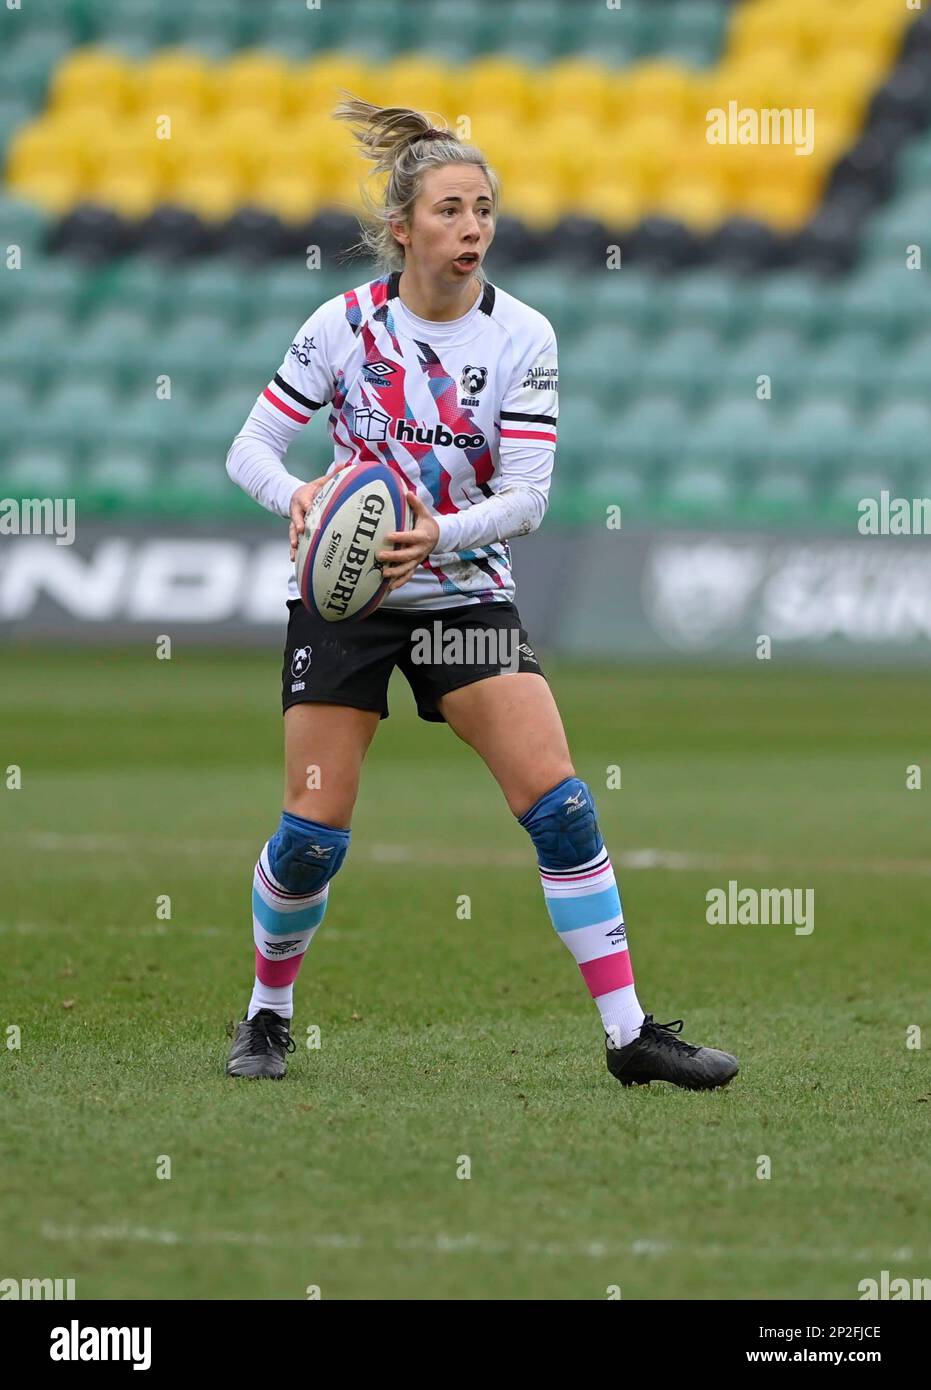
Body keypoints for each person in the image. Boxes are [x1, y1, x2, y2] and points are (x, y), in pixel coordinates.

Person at [223, 94, 739, 1090]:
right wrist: (297, 498)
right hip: (347, 604)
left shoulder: (524, 336)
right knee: (309, 840)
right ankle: (268, 1013)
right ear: (403, 226)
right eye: (451, 210)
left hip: (464, 598)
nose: (472, 229)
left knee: (561, 809)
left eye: (485, 210)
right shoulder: (339, 326)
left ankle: (629, 1034)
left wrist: (436, 534)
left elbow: (529, 498)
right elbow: (247, 447)